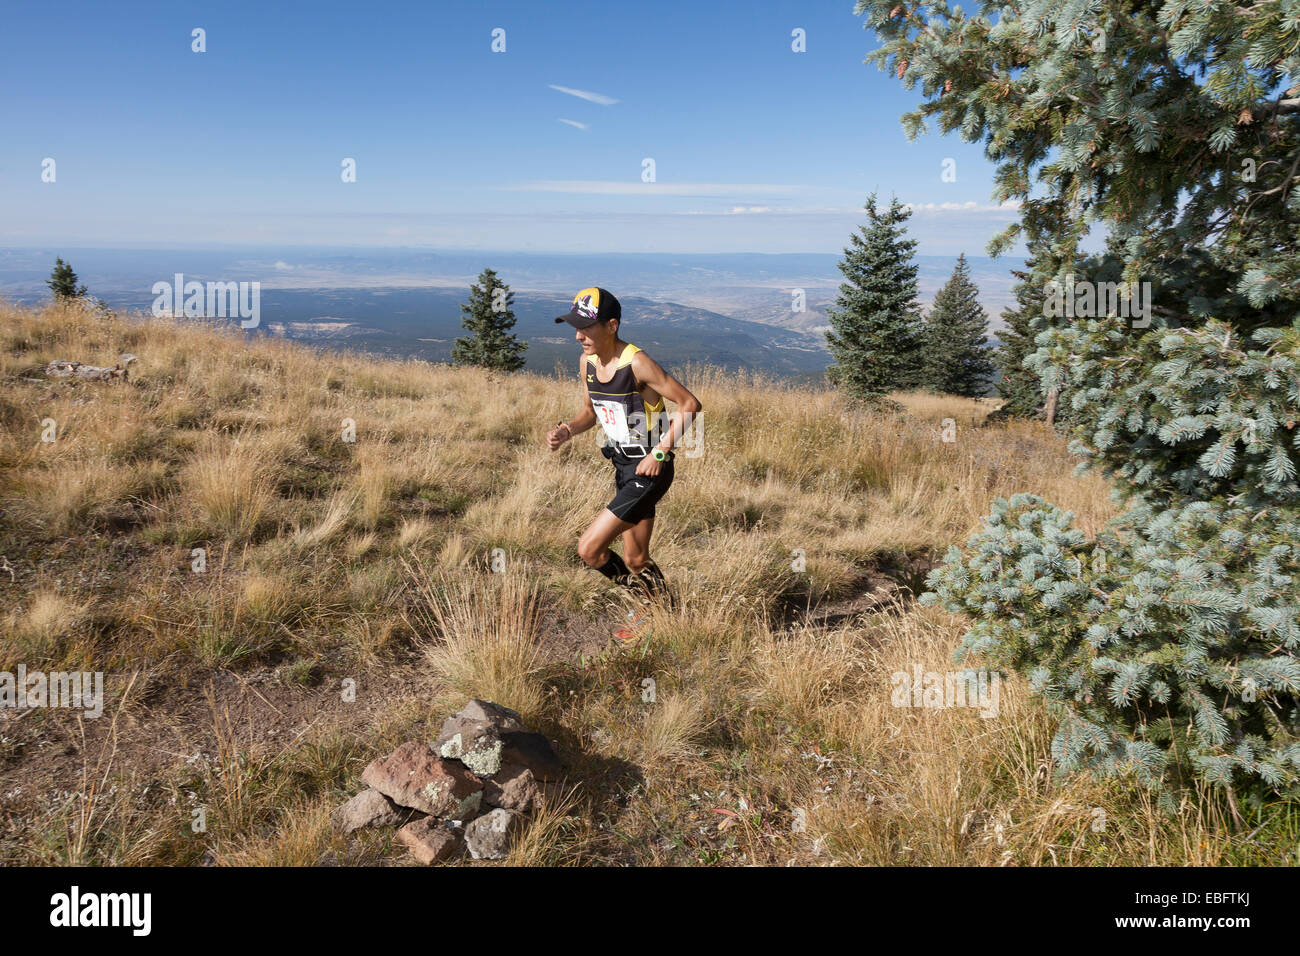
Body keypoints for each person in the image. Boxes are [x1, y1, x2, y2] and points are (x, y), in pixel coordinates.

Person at [545, 287, 703, 642]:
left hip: (650, 470)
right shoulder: (587, 362)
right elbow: (590, 413)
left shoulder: (637, 363)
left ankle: (647, 610)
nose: (578, 335)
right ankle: (665, 614)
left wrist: (660, 452)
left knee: (589, 549)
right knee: (635, 559)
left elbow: (690, 404)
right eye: (575, 326)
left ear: (612, 325)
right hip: (623, 466)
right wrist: (568, 430)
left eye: (586, 327)